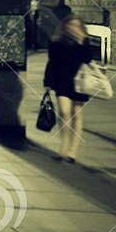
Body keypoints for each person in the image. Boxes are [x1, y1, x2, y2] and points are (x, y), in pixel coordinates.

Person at [44, 16, 96, 163]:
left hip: (79, 83)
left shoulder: (84, 42)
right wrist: (47, 82)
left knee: (77, 114)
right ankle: (63, 148)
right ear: (65, 27)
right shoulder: (56, 42)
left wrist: (81, 42)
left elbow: (88, 59)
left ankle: (72, 152)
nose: (73, 28)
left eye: (77, 26)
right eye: (71, 25)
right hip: (62, 81)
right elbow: (51, 63)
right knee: (64, 112)